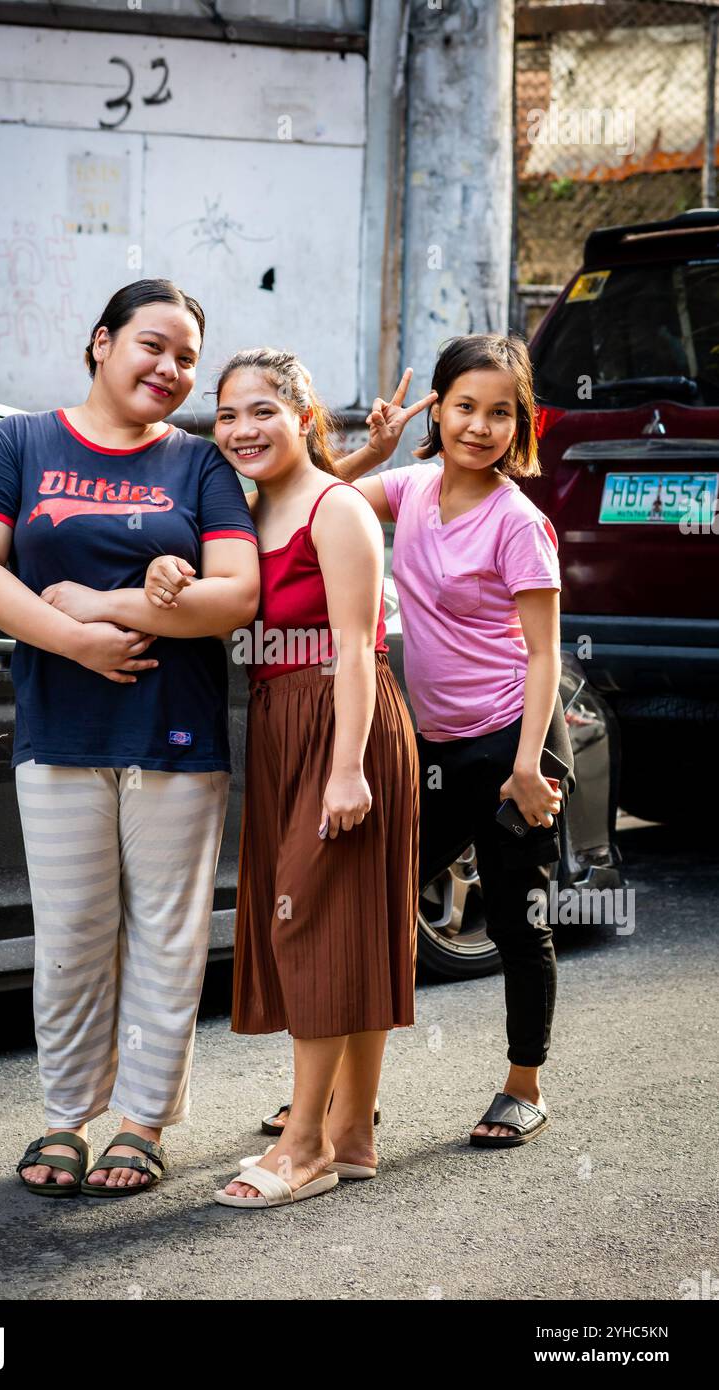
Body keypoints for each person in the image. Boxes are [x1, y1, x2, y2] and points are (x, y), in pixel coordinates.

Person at [0, 278, 259, 1197]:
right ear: (101, 342)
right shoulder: (21, 442)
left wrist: (102, 605)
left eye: (187, 358)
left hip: (175, 732)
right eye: (152, 345)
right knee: (73, 932)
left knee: (167, 934)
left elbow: (234, 596)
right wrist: (73, 640)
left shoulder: (199, 466)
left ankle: (141, 1122)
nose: (170, 368)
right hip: (58, 726)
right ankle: (65, 1118)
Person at [145, 348, 421, 1208]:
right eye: (226, 415)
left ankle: (302, 1147)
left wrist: (347, 770)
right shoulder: (240, 508)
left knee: (319, 926)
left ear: (303, 415)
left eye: (261, 410)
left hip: (345, 725)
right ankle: (353, 1134)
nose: (239, 429)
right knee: (344, 925)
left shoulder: (337, 510)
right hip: (277, 724)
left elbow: (354, 647)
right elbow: (214, 594)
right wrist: (167, 572)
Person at [334, 333, 575, 1147]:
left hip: (514, 739)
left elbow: (544, 654)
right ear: (438, 408)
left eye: (500, 412)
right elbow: (322, 502)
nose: (480, 426)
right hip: (434, 745)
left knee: (516, 920)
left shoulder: (520, 523)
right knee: (376, 901)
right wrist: (369, 449)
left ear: (521, 422)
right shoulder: (411, 487)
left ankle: (523, 1087)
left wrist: (524, 769)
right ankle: (345, 1091)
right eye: (464, 406)